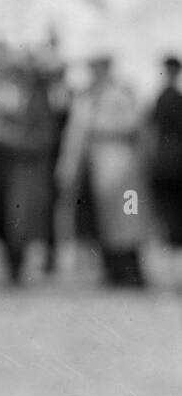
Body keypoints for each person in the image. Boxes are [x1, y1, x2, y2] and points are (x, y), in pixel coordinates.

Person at [56, 53, 147, 288]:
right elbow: (74, 136)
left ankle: (129, 270)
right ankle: (111, 269)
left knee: (125, 222)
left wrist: (100, 127)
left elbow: (131, 124)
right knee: (100, 222)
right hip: (92, 168)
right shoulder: (87, 98)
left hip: (116, 164)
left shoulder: (118, 94)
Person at [0, 50, 58, 284]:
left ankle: (18, 266)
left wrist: (11, 137)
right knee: (0, 221)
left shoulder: (36, 98)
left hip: (24, 170)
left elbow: (45, 136)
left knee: (20, 221)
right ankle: (9, 264)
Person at [144, 55, 182, 275]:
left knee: (171, 214)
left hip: (169, 164)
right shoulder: (166, 97)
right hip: (166, 163)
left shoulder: (168, 98)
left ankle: (173, 266)